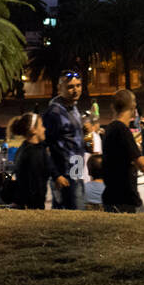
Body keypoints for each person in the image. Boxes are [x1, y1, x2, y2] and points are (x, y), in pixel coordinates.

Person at [42, 72, 86, 209]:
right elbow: (45, 146)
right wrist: (56, 175)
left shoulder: (73, 107)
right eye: (70, 87)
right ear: (59, 88)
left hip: (76, 168)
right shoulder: (54, 113)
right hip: (65, 172)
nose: (76, 90)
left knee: (70, 212)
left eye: (78, 85)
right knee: (74, 215)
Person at [10, 112, 50, 209]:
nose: (44, 129)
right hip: (32, 204)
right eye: (41, 126)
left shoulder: (24, 148)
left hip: (24, 201)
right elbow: (35, 182)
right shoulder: (33, 153)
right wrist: (37, 204)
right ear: (33, 130)